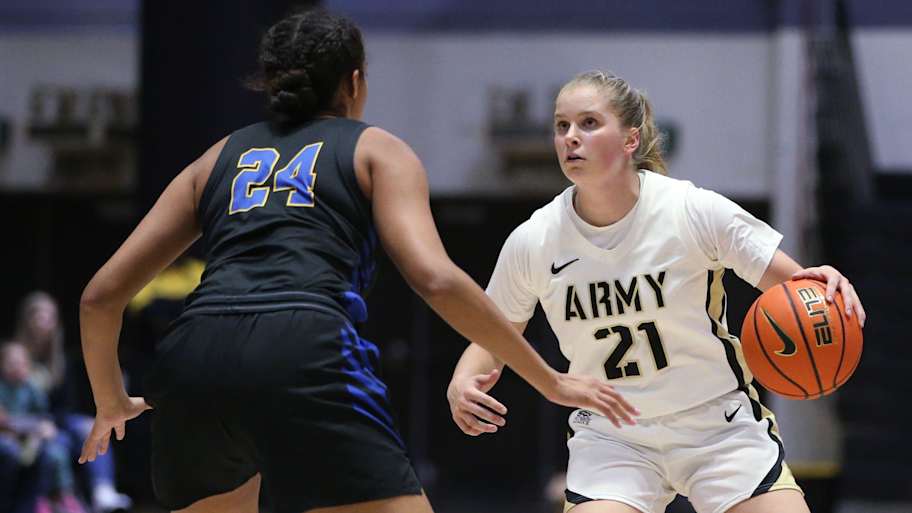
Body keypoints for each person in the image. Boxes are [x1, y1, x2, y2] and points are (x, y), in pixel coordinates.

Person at [76, 10, 635, 513]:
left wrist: (110, 401)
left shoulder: (217, 157)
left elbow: (100, 295)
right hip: (301, 345)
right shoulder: (375, 150)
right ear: (355, 81)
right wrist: (549, 379)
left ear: (271, 83)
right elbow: (435, 279)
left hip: (192, 357)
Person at [446, 70, 866, 513]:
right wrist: (461, 378)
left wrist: (824, 287)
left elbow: (798, 292)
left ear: (631, 139)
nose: (571, 137)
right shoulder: (534, 240)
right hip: (613, 435)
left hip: (716, 423)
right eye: (561, 126)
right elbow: (492, 334)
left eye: (588, 123)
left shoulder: (691, 210)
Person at [17, 292, 133, 512]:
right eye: (38, 315)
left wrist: (55, 422)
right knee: (58, 445)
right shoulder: (14, 357)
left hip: (57, 420)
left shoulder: (62, 360)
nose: (44, 322)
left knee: (91, 427)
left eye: (49, 316)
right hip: (28, 422)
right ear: (26, 320)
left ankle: (103, 490)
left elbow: (67, 404)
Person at [0, 341, 85, 513]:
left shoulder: (31, 388)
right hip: (7, 437)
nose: (16, 367)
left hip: (31, 437)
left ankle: (58, 497)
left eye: (20, 363)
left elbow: (43, 416)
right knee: (9, 451)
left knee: (55, 452)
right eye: (11, 363)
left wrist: (44, 428)